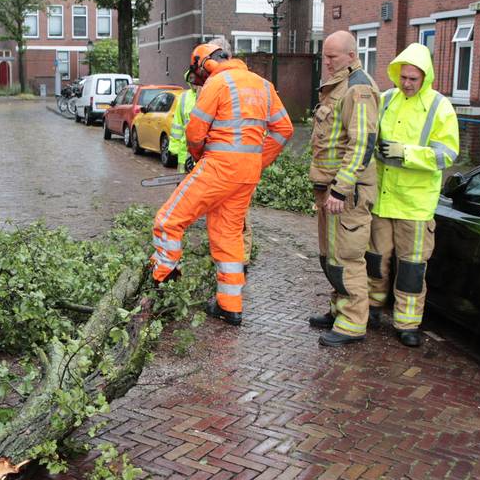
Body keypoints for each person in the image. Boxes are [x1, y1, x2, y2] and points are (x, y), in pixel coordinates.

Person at [149, 42, 293, 325]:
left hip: (218, 168)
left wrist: (198, 157)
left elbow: (195, 130)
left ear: (205, 64)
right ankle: (230, 305)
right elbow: (284, 129)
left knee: (168, 220)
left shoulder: (218, 82)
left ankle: (161, 280)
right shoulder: (263, 85)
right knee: (227, 235)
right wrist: (257, 159)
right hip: (247, 175)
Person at [367, 43, 460, 348]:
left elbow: (446, 155)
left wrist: (405, 153)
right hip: (383, 199)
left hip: (416, 206)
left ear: (425, 78)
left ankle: (407, 324)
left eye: (413, 79)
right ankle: (371, 309)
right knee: (376, 261)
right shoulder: (387, 99)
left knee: (411, 268)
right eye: (402, 77)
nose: (406, 83)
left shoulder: (439, 107)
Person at [307, 31, 381, 347]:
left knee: (348, 256)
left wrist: (341, 188)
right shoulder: (340, 86)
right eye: (325, 56)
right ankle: (339, 309)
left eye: (333, 57)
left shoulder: (358, 88)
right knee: (331, 255)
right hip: (331, 190)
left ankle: (352, 323)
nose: (326, 62)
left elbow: (362, 142)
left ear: (351, 56)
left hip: (345, 193)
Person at [167, 38, 255, 271]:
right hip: (202, 163)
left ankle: (240, 261)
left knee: (233, 223)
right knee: (217, 222)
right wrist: (179, 156)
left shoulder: (228, 88)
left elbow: (202, 133)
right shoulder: (188, 96)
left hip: (222, 166)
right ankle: (228, 275)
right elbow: (182, 130)